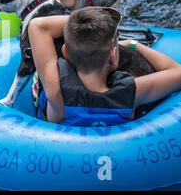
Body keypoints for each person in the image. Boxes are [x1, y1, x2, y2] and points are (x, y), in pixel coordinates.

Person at [29, 7, 181, 126]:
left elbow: (37, 26)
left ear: (65, 53)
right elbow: (177, 72)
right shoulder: (132, 93)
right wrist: (134, 45)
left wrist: (84, 21)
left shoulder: (57, 95)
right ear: (114, 55)